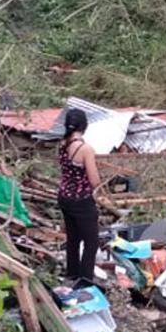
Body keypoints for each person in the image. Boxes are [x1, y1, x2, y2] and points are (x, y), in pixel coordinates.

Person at [57, 108, 101, 286]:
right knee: (92, 242)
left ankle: (72, 274)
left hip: (64, 197)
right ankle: (85, 280)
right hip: (81, 200)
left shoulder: (62, 145)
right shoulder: (85, 149)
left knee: (73, 238)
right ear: (84, 126)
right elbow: (94, 180)